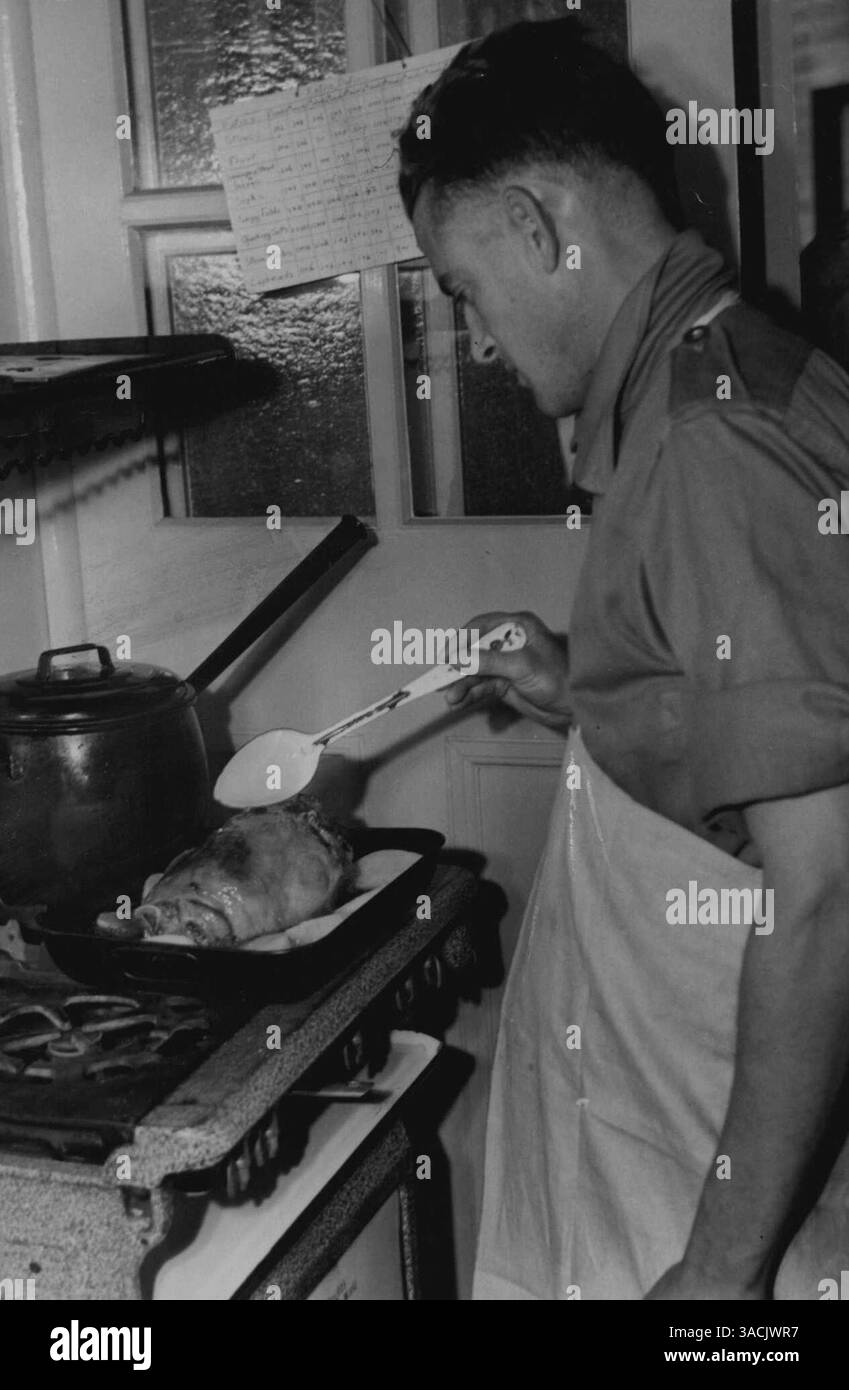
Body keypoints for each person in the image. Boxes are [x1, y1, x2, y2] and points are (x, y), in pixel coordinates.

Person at [398, 16, 849, 1301]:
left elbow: (827, 897)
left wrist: (716, 1275)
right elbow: (751, 746)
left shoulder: (712, 452)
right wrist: (585, 696)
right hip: (682, 1126)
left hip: (714, 1188)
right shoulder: (727, 376)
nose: (477, 339)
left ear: (539, 228)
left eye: (467, 286)